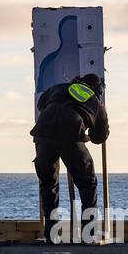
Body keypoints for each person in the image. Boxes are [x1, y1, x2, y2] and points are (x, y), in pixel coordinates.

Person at [31, 73, 110, 245]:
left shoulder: (59, 88)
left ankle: (51, 235)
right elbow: (99, 137)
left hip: (43, 134)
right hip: (71, 135)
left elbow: (41, 104)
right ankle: (88, 235)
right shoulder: (95, 101)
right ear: (98, 90)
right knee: (87, 184)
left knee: (48, 184)